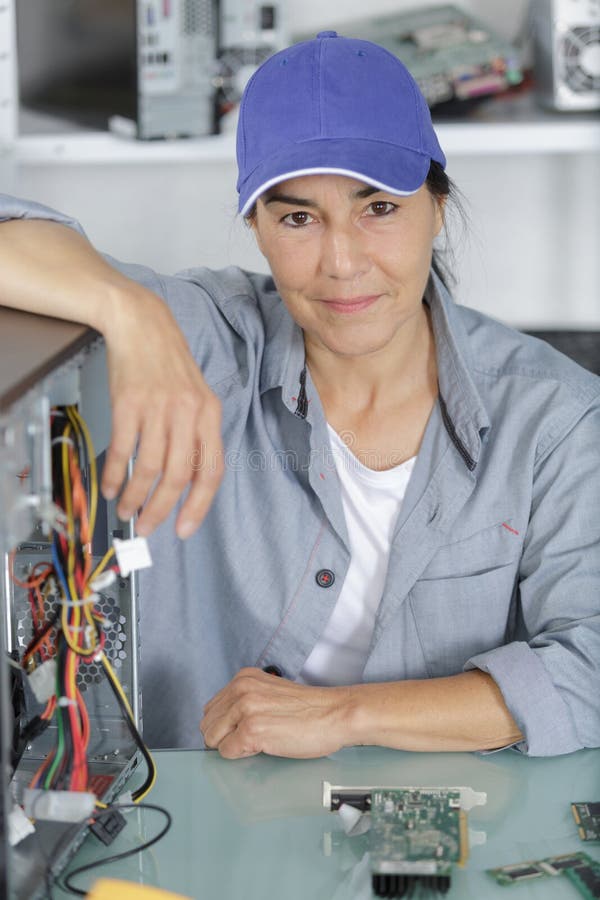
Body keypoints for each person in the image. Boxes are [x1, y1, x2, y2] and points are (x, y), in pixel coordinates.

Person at [1, 32, 599, 759]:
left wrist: (343, 715)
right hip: (205, 836)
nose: (342, 263)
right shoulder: (212, 339)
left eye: (378, 208)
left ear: (437, 207)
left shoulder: (555, 420)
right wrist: (132, 313)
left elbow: (589, 671)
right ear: (254, 227)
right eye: (297, 219)